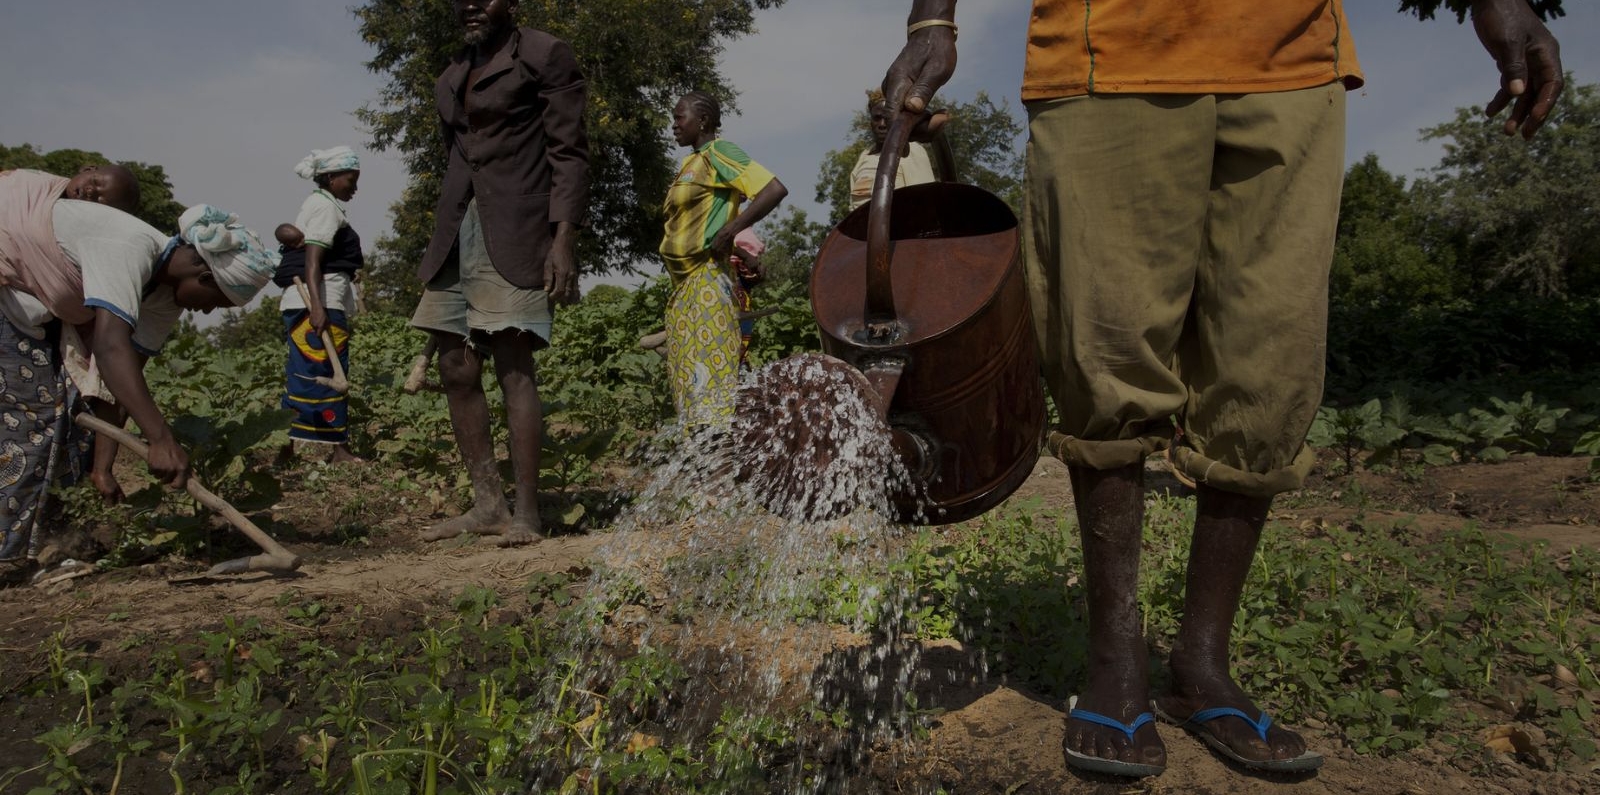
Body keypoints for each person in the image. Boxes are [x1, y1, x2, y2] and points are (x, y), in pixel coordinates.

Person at [881, 0, 1563, 779]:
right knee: (1107, 349)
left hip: (1292, 61)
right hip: (1108, 56)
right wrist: (930, 22)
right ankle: (1117, 660)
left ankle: (1203, 665)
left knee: (1270, 366)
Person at [0, 187, 276, 566]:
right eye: (215, 302)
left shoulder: (163, 298)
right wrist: (160, 438)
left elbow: (120, 383)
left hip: (28, 307)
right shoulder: (128, 247)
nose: (209, 312)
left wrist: (102, 467)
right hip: (8, 286)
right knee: (37, 415)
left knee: (71, 411)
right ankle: (9, 556)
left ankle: (52, 541)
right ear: (205, 276)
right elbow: (109, 348)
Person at [412, 0, 588, 547]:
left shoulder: (544, 54)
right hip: (459, 227)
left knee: (514, 363)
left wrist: (562, 237)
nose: (470, 5)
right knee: (455, 366)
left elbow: (569, 151)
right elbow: (461, 157)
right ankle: (488, 503)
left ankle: (527, 514)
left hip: (517, 227)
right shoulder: (454, 71)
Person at [659, 90, 788, 421]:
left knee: (711, 387)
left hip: (706, 286)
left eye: (679, 117)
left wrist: (731, 231)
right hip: (684, 291)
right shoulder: (691, 162)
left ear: (702, 120)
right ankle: (700, 466)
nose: (673, 125)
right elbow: (701, 226)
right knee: (689, 387)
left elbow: (773, 189)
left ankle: (723, 462)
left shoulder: (720, 152)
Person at [275, 146, 365, 464]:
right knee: (319, 370)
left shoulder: (322, 204)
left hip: (317, 300)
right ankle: (327, 448)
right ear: (329, 177)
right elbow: (313, 259)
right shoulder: (324, 208)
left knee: (313, 370)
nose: (354, 187)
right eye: (350, 180)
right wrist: (317, 306)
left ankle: (294, 447)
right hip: (317, 301)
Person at [848, 89, 950, 211]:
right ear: (871, 122)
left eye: (887, 118)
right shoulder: (865, 156)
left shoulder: (911, 151)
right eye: (877, 118)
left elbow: (924, 202)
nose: (882, 124)